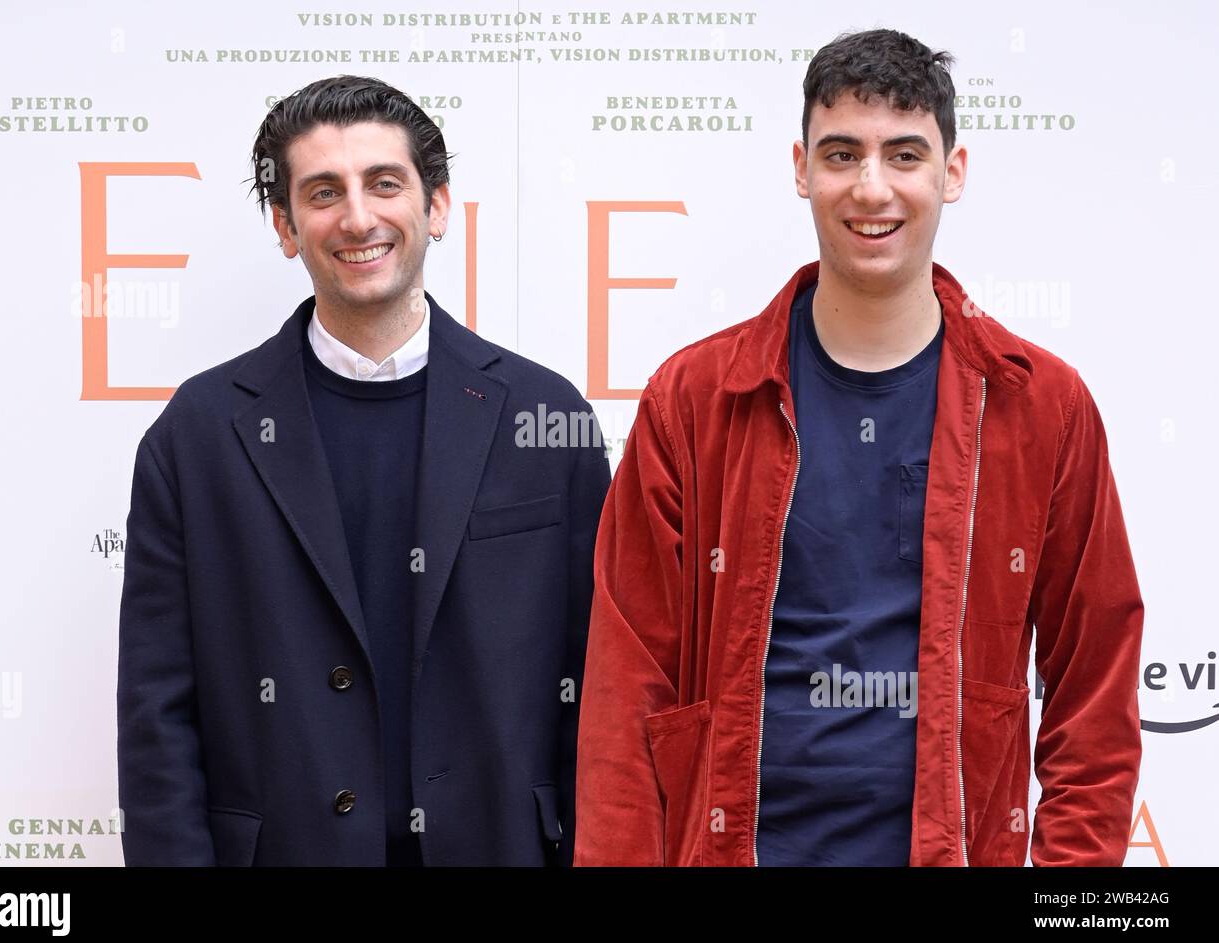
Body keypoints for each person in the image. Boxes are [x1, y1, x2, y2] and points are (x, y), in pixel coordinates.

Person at [573, 29, 1143, 866]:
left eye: (904, 155)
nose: (872, 188)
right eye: (842, 154)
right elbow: (627, 689)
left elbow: (1093, 693)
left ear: (953, 173)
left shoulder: (1041, 406)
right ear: (801, 168)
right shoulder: (692, 400)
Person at [117, 75, 611, 866]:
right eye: (322, 192)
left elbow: (604, 687)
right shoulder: (198, 436)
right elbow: (157, 718)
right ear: (285, 225)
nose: (357, 217)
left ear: (437, 205)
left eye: (385, 184)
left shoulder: (547, 418)